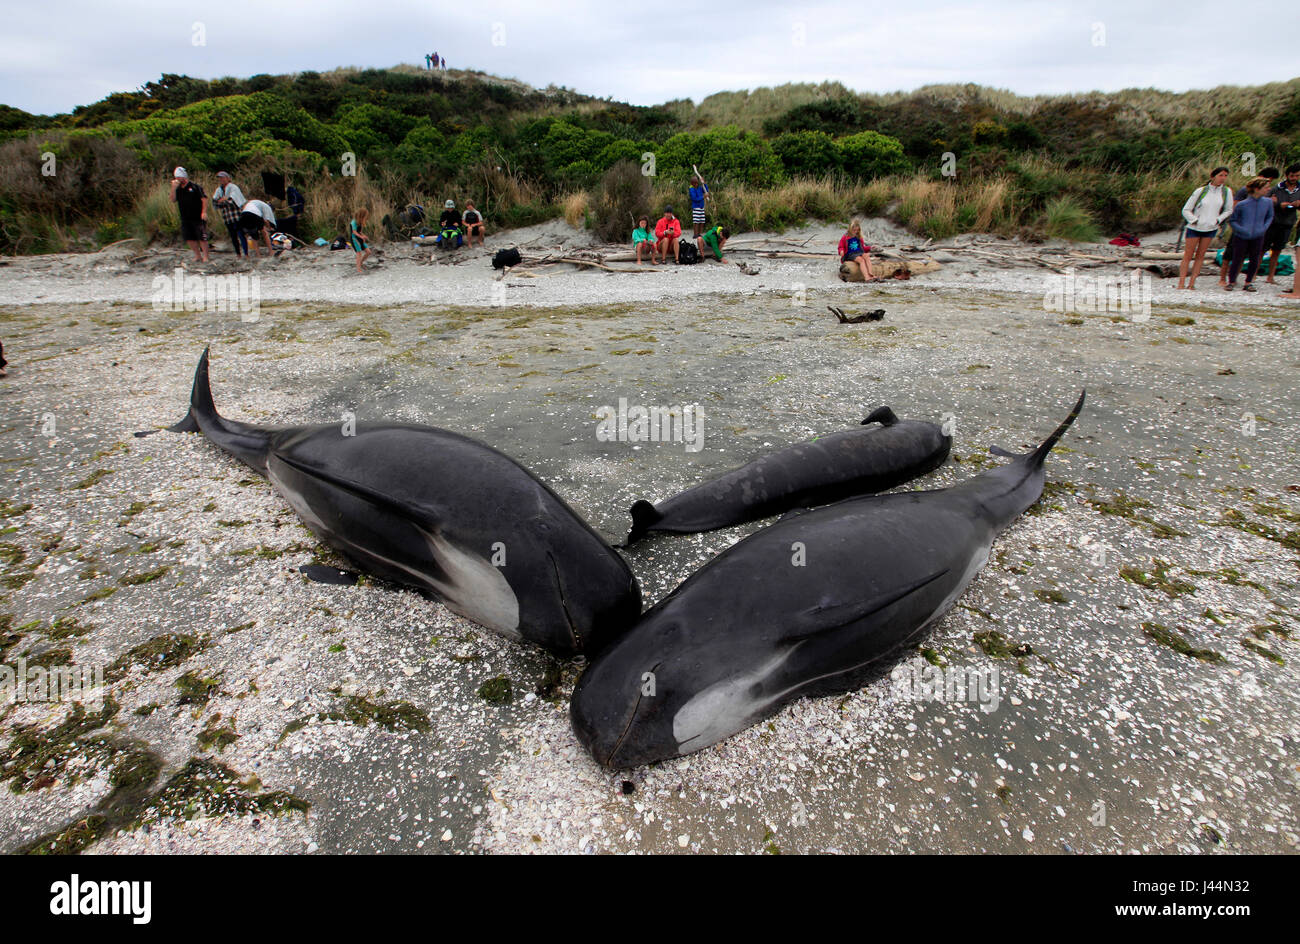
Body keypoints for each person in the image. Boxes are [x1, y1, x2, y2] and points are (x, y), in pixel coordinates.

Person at [1177, 167, 1232, 290]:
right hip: (1194, 227)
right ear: (1213, 176)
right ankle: (1181, 283)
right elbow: (1186, 209)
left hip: (1210, 228)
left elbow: (1229, 210)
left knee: (1200, 256)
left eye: (1225, 175)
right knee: (1188, 255)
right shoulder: (1201, 191)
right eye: (1221, 175)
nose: (1223, 178)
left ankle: (1192, 283)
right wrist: (1194, 220)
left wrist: (1218, 220)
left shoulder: (1226, 192)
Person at [1224, 177, 1274, 292]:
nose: (1268, 189)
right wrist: (1240, 230)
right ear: (1257, 189)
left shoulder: (1268, 202)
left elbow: (1270, 216)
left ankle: (1248, 282)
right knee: (1237, 258)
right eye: (1265, 187)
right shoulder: (1242, 204)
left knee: (1255, 259)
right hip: (1241, 236)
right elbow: (1232, 220)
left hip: (1258, 235)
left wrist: (1264, 228)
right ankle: (1231, 281)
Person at [1264, 164, 1299, 284]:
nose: (1294, 178)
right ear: (1287, 175)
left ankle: (1270, 277)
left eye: (1297, 176)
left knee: (1278, 250)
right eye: (1292, 175)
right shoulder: (1276, 188)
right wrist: (1279, 205)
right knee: (1262, 249)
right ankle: (1252, 276)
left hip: (1288, 223)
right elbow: (1265, 202)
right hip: (1273, 222)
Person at [171, 167, 209, 262]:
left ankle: (205, 256)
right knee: (189, 238)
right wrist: (173, 188)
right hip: (185, 217)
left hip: (197, 216)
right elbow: (172, 199)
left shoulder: (195, 187)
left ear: (184, 177)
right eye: (176, 178)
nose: (178, 179)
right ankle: (197, 255)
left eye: (179, 177)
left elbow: (204, 199)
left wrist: (203, 212)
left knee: (202, 237)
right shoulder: (178, 189)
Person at [212, 171, 247, 257]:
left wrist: (223, 200)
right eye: (220, 178)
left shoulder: (233, 187)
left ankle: (246, 254)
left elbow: (233, 202)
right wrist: (224, 200)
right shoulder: (219, 190)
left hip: (236, 216)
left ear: (228, 178)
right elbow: (215, 202)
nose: (221, 180)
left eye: (223, 177)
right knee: (233, 237)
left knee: (241, 235)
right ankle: (238, 254)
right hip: (227, 217)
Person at [688, 172, 710, 238]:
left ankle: (699, 234)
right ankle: (695, 234)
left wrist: (704, 183)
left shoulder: (700, 188)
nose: (696, 184)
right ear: (692, 183)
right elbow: (694, 198)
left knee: (702, 221)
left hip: (701, 207)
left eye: (697, 183)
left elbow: (706, 190)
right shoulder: (691, 189)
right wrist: (703, 197)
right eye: (695, 183)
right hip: (696, 207)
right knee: (696, 221)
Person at [350, 208, 372, 273]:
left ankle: (361, 262)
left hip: (360, 238)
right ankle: (358, 269)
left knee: (368, 252)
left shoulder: (361, 222)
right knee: (359, 253)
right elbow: (354, 232)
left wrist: (364, 236)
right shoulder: (354, 222)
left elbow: (360, 231)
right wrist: (361, 237)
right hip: (354, 239)